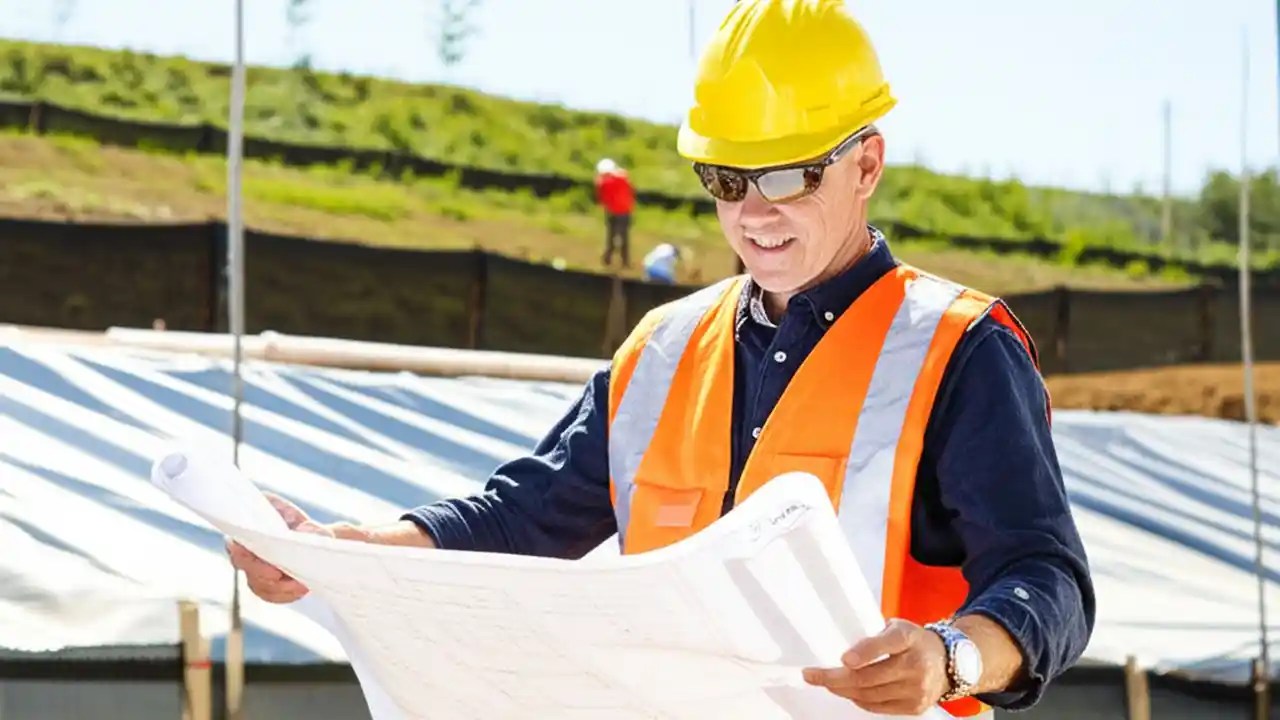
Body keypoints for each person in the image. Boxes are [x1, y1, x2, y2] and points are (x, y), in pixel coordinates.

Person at [228, 1, 1094, 716]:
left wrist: (949, 657)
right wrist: (347, 554)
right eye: (726, 181)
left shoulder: (957, 350)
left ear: (866, 163)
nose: (755, 214)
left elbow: (1047, 579)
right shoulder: (663, 349)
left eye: (789, 176)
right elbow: (521, 519)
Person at [594, 157, 635, 267]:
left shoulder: (603, 182)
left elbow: (601, 199)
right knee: (624, 237)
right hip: (625, 211)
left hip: (612, 212)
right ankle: (625, 261)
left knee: (611, 237)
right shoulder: (623, 178)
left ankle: (607, 259)